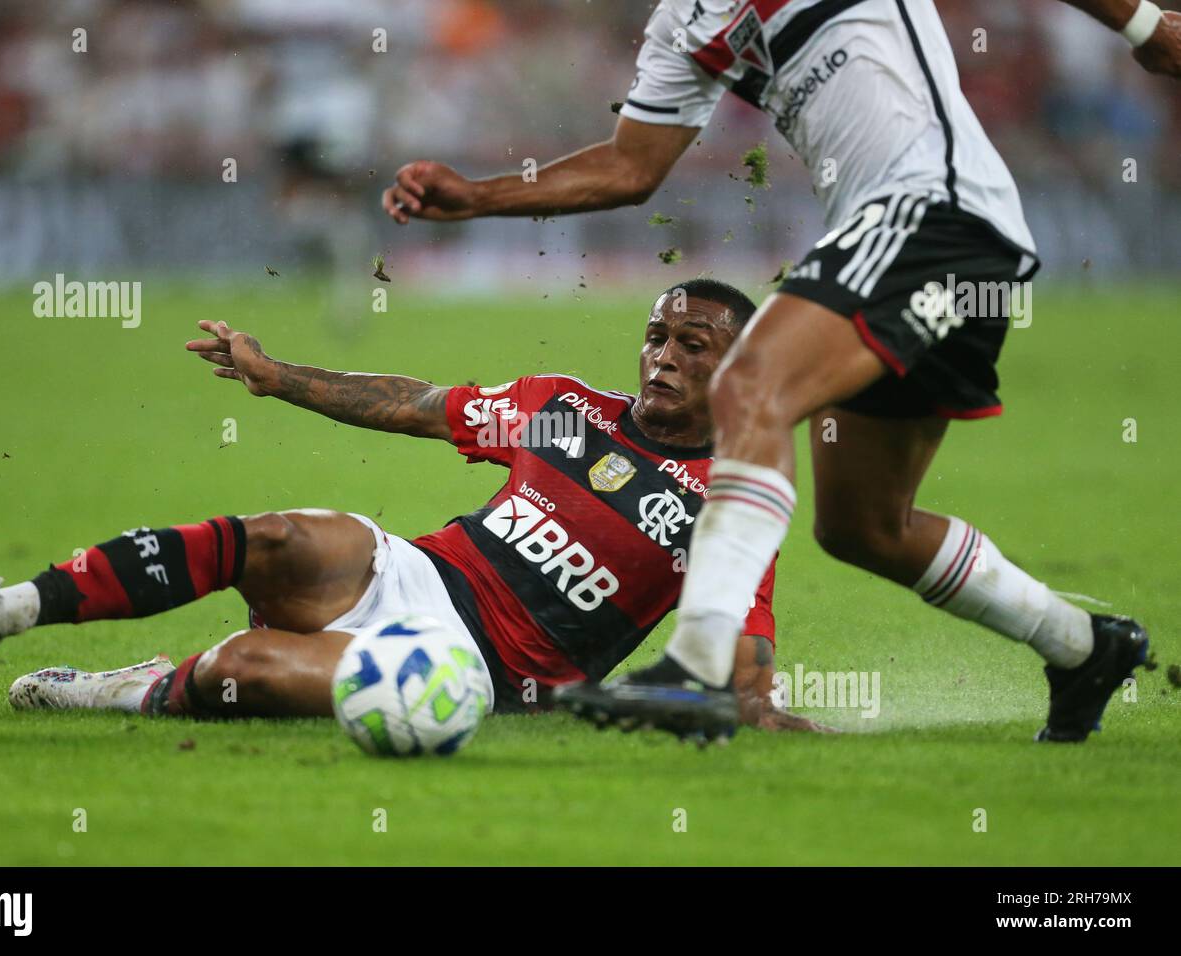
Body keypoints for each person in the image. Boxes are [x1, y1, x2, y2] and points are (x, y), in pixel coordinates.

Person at [379, 0, 1179, 742]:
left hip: (934, 208)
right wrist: (478, 197)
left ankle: (697, 669)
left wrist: (1142, 22)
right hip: (907, 240)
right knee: (865, 526)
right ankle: (1083, 648)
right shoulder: (685, 19)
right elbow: (631, 166)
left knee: (747, 386)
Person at [0, 280, 820, 731]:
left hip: (476, 667)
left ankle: (123, 688)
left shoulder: (735, 504)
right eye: (656, 335)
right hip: (415, 569)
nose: (662, 355)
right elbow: (417, 404)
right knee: (274, 537)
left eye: (692, 344)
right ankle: (4, 609)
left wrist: (764, 712)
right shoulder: (563, 410)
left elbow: (746, 667)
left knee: (251, 670)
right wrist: (275, 376)